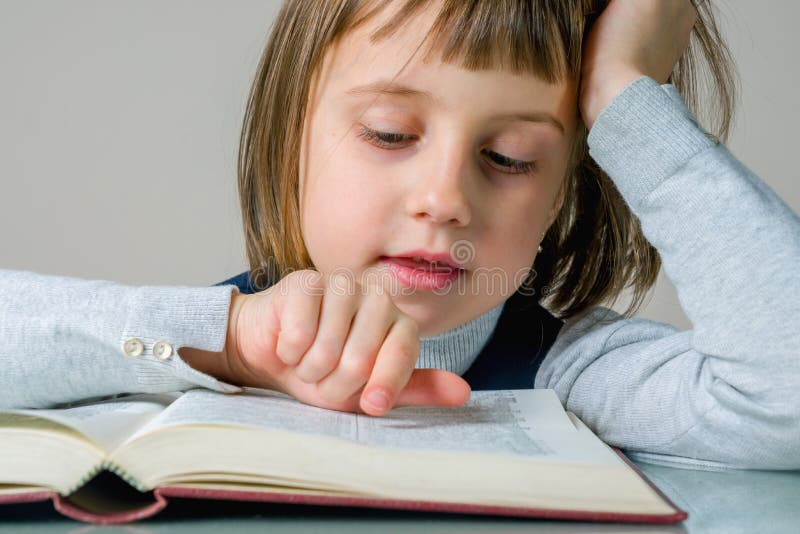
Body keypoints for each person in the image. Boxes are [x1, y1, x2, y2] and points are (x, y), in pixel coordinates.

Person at [1, 0, 798, 470]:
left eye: (509, 157)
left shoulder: (579, 374)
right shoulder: (203, 344)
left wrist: (627, 98)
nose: (444, 199)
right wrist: (227, 346)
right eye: (389, 134)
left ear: (565, 191)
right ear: (291, 139)